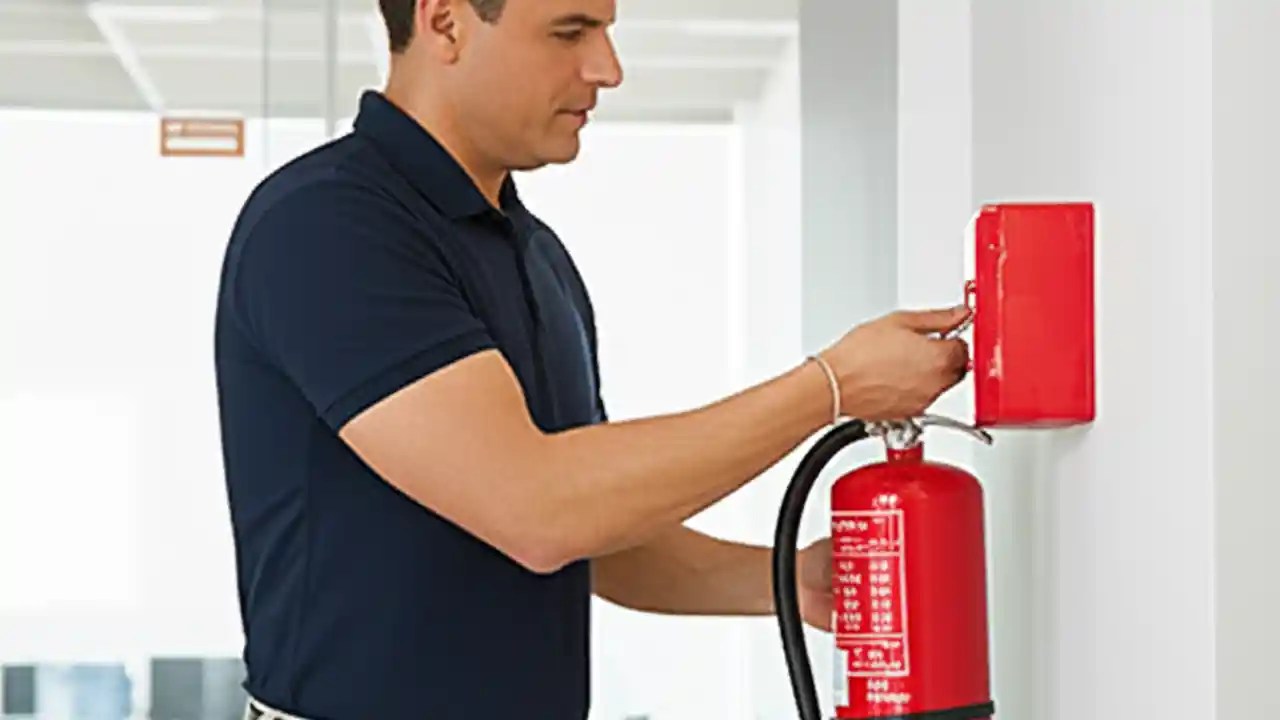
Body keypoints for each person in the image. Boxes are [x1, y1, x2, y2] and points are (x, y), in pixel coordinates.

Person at [212, 0, 970, 718]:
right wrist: (831, 387)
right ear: (445, 22)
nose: (608, 68)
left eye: (605, 29)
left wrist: (791, 582)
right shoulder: (326, 225)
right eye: (570, 31)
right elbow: (536, 508)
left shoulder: (534, 253)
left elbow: (591, 536)